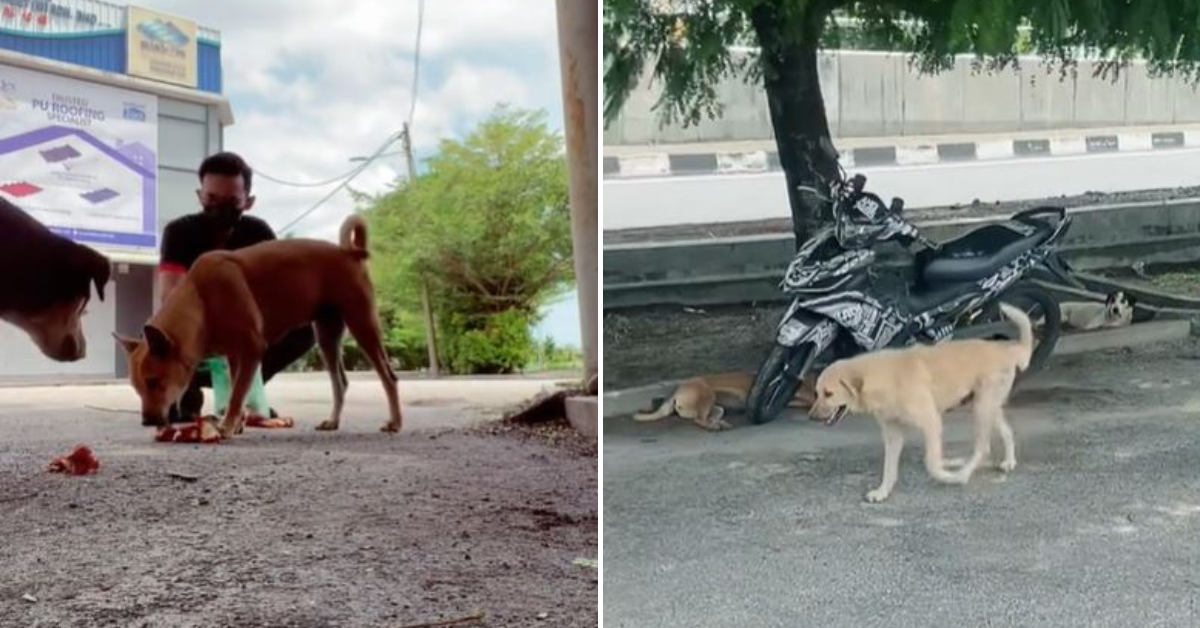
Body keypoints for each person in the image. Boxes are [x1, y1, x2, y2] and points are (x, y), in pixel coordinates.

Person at [157, 152, 316, 424]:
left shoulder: (259, 233)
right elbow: (170, 296)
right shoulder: (179, 232)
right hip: (198, 331)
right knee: (157, 334)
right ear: (200, 196)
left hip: (246, 330)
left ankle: (246, 394)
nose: (219, 208)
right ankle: (184, 392)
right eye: (212, 199)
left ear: (248, 202)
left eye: (231, 202)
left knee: (303, 331)